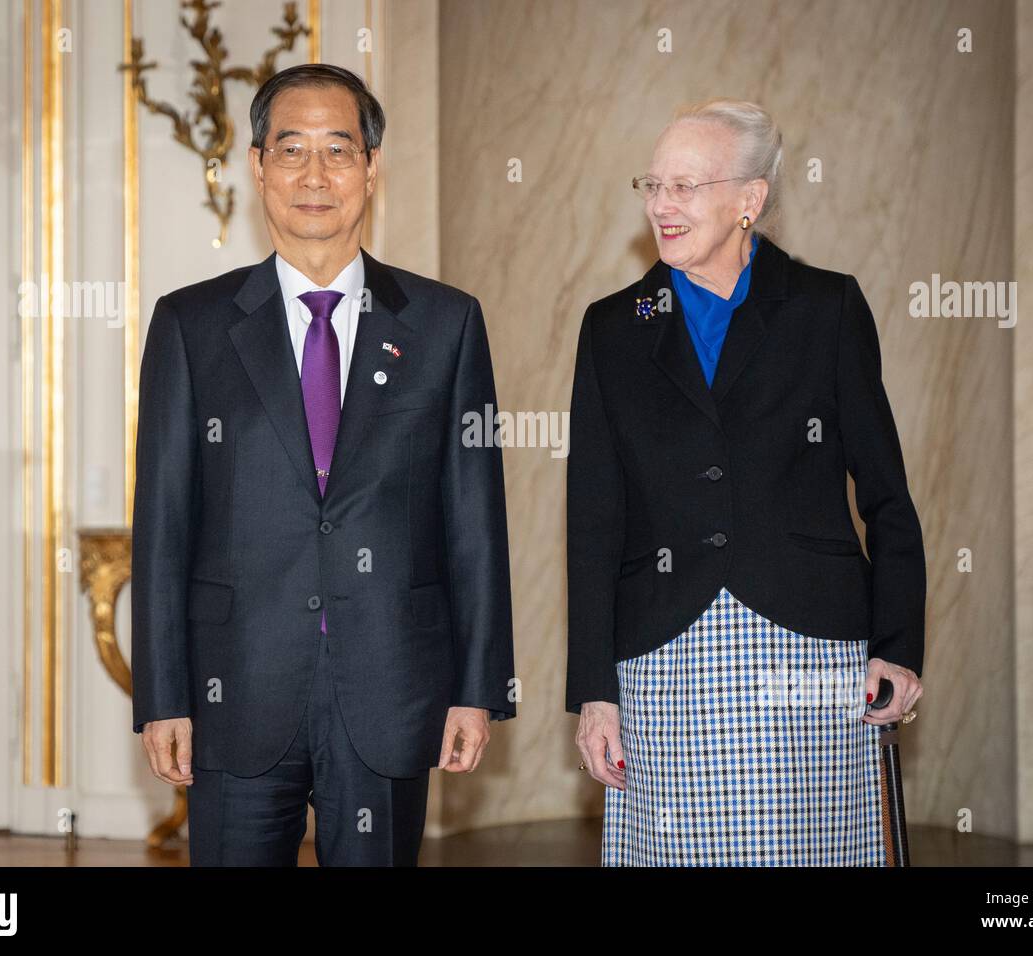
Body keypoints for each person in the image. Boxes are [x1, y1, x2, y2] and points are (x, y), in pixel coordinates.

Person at [131, 64, 515, 866]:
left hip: (389, 689)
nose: (315, 175)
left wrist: (478, 688)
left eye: (338, 151)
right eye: (292, 149)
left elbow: (474, 520)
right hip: (234, 693)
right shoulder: (190, 327)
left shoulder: (446, 324)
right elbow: (163, 526)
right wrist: (162, 696)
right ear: (257, 166)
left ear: (372, 169)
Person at [566, 99, 926, 865]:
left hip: (809, 655)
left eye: (686, 186)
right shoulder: (611, 328)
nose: (662, 205)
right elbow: (593, 521)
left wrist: (897, 645)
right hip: (663, 654)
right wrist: (595, 691)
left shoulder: (827, 308)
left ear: (749, 200)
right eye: (652, 185)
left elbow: (887, 496)